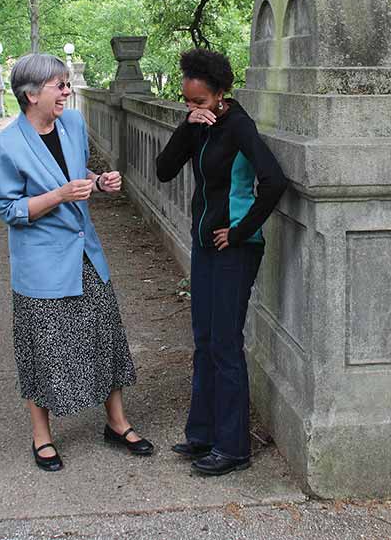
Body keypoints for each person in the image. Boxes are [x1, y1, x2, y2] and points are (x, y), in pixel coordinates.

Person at [0, 52, 153, 472]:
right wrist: (60, 196)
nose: (66, 91)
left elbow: (78, 178)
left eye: (66, 83)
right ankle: (42, 437)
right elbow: (9, 209)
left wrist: (99, 182)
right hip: (41, 263)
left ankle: (116, 423)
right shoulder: (6, 145)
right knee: (42, 345)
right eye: (57, 85)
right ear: (30, 94)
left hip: (86, 251)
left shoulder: (73, 123)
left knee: (104, 332)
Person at [156, 48, 286, 476]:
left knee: (226, 344)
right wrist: (186, 124)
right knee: (205, 340)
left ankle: (233, 447)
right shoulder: (197, 124)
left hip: (235, 250)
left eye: (201, 102)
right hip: (205, 247)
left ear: (221, 95)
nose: (194, 108)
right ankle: (203, 434)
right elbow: (163, 170)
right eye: (187, 101)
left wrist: (241, 230)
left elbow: (273, 181)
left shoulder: (239, 127)